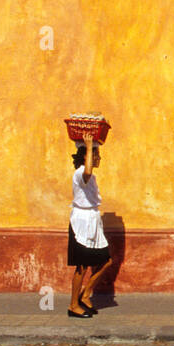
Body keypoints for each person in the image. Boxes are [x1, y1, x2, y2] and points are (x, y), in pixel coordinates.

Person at [67, 135, 113, 318]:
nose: (99, 158)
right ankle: (72, 305)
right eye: (97, 155)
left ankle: (85, 294)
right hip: (81, 222)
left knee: (106, 261)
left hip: (92, 221)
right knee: (82, 266)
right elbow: (86, 171)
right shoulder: (80, 173)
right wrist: (88, 146)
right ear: (89, 157)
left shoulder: (91, 177)